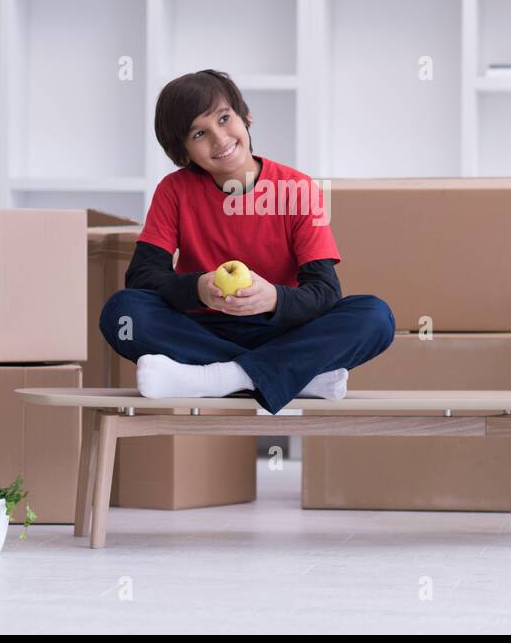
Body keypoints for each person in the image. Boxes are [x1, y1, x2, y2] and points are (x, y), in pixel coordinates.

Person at [98, 69, 395, 414]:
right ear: (184, 152)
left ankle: (217, 378)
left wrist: (273, 298)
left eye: (225, 119)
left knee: (375, 317)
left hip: (283, 329)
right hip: (203, 327)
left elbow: (325, 294)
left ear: (246, 116)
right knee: (122, 314)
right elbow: (141, 279)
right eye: (199, 133)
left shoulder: (297, 189)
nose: (220, 138)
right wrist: (198, 288)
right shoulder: (174, 190)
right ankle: (294, 375)